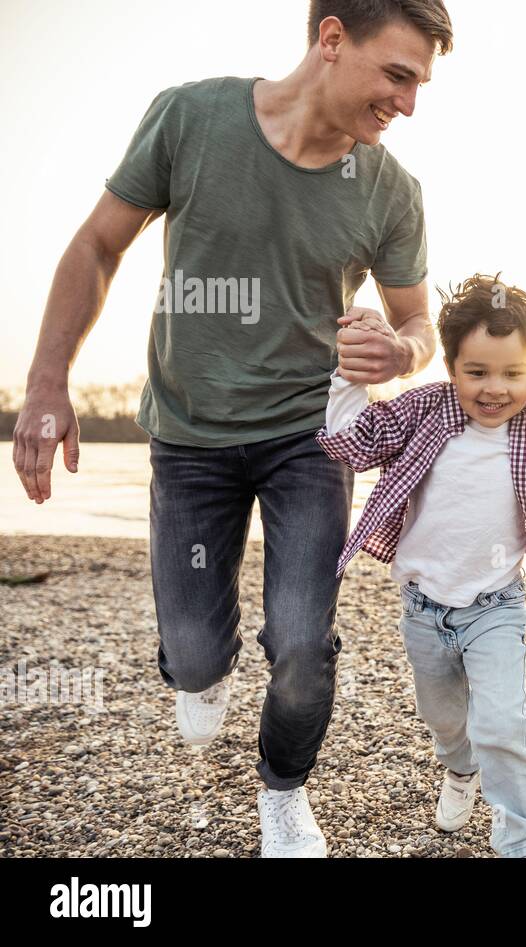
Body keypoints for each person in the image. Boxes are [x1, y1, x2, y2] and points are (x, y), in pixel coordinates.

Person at [10, 0, 455, 857]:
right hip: (189, 436)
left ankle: (283, 793)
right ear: (331, 40)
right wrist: (45, 379)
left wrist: (395, 351)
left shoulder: (392, 190)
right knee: (193, 653)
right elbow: (100, 244)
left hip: (310, 439)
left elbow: (418, 322)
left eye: (419, 84)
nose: (407, 104)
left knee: (300, 642)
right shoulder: (193, 116)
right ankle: (199, 669)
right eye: (397, 76)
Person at [317, 274, 526, 856]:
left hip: (496, 606)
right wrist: (351, 365)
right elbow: (351, 440)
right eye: (477, 372)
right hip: (422, 608)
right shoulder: (422, 410)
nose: (495, 389)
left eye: (512, 373)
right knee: (446, 723)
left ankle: (519, 839)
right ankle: (459, 770)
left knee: (503, 724)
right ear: (450, 368)